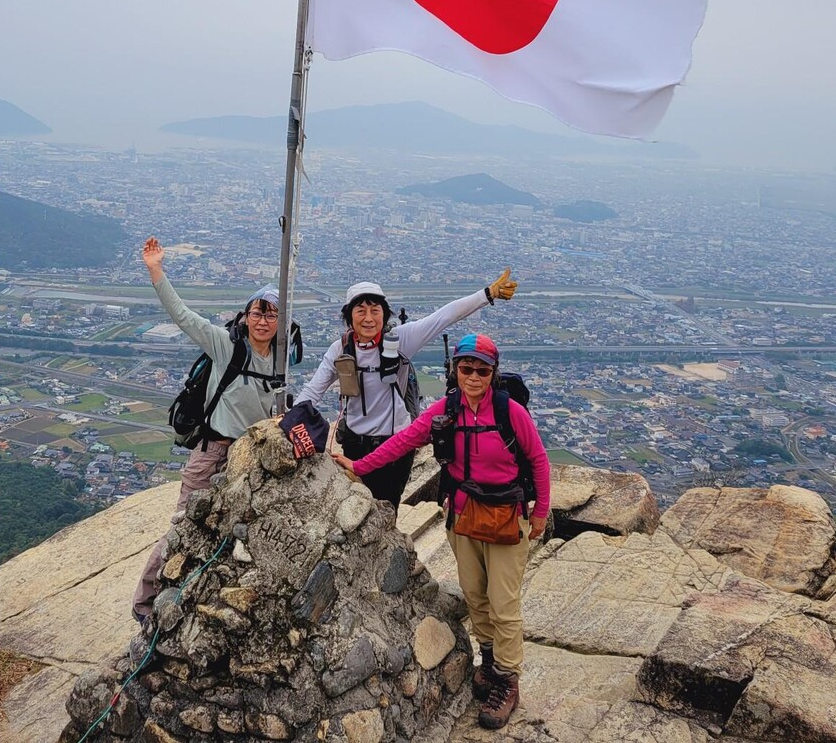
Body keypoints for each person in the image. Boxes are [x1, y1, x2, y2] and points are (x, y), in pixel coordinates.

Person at [333, 333, 549, 731]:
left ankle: (507, 680)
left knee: (504, 602)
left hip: (505, 517)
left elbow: (538, 459)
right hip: (464, 517)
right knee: (474, 594)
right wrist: (359, 466)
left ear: (492, 374)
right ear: (455, 369)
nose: (473, 376)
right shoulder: (446, 410)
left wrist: (541, 514)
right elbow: (403, 441)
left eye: (481, 370)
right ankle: (489, 662)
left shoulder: (510, 412)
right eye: (466, 368)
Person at [131, 236, 290, 624]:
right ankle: (145, 603)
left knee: (233, 534)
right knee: (185, 524)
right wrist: (156, 271)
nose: (264, 321)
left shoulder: (281, 358)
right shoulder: (226, 346)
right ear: (245, 315)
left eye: (272, 315)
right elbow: (184, 317)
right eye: (258, 312)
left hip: (250, 459)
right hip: (214, 451)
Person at [297, 270, 516, 512]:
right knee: (356, 510)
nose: (368, 318)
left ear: (384, 314)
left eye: (375, 310)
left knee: (386, 510)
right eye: (360, 311)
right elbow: (313, 390)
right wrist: (288, 420)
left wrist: (487, 295)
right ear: (349, 317)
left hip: (395, 446)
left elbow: (443, 317)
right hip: (355, 443)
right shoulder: (340, 349)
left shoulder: (399, 340)